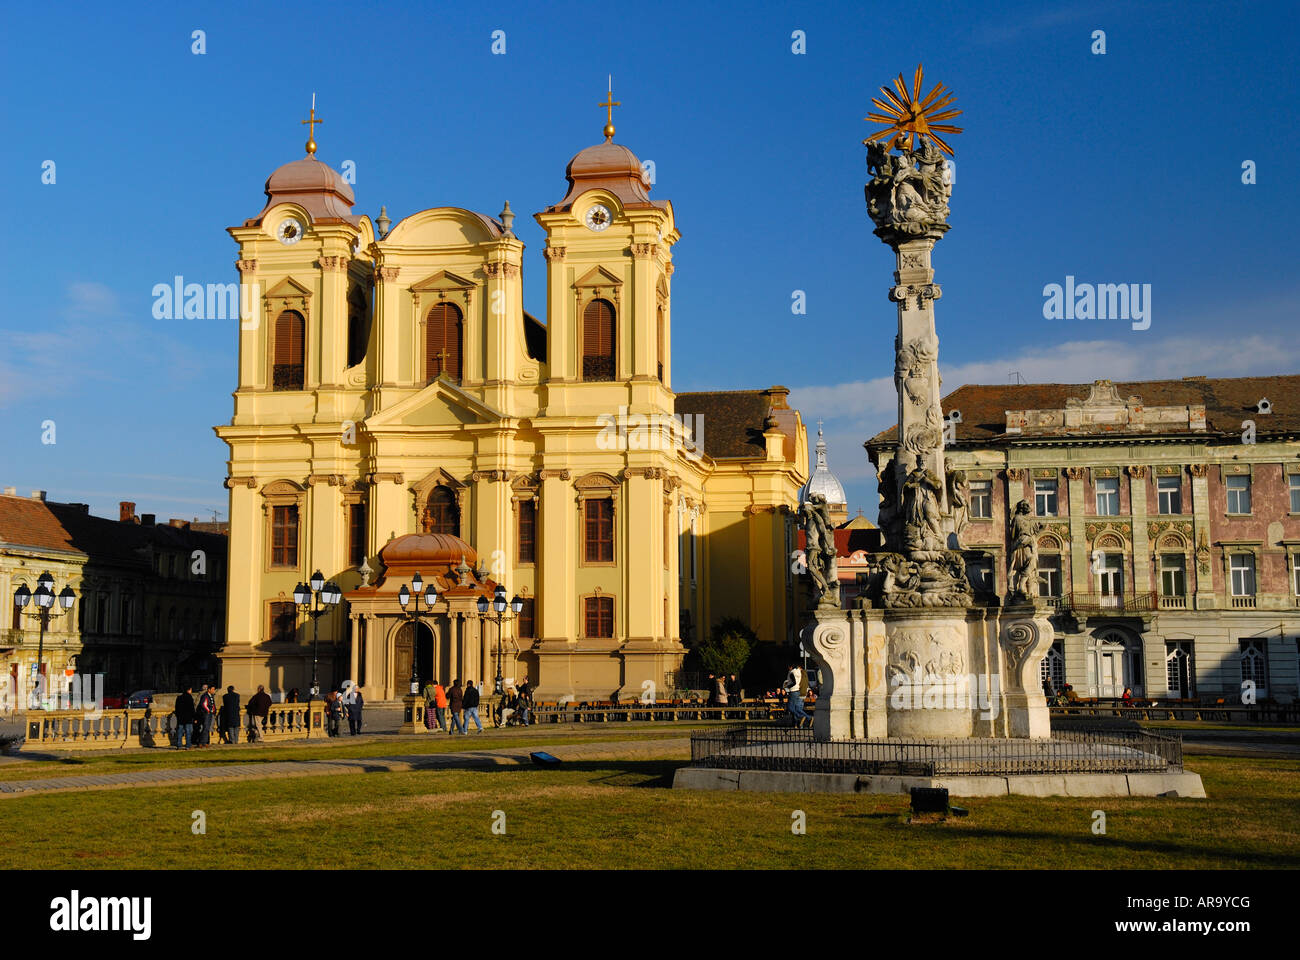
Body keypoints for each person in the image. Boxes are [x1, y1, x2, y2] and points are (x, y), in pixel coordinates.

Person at [782, 664, 810, 729]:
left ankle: (805, 718)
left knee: (791, 708)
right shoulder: (801, 673)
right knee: (796, 708)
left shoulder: (793, 672)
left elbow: (794, 682)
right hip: (800, 692)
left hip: (796, 692)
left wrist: (787, 686)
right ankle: (800, 723)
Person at [196, 683, 216, 747]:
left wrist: (213, 710)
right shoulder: (205, 696)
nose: (214, 691)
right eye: (213, 689)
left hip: (209, 713)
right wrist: (209, 711)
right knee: (205, 728)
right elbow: (204, 704)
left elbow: (212, 704)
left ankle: (205, 742)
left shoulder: (211, 696)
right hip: (206, 714)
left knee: (207, 728)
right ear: (209, 690)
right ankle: (202, 742)